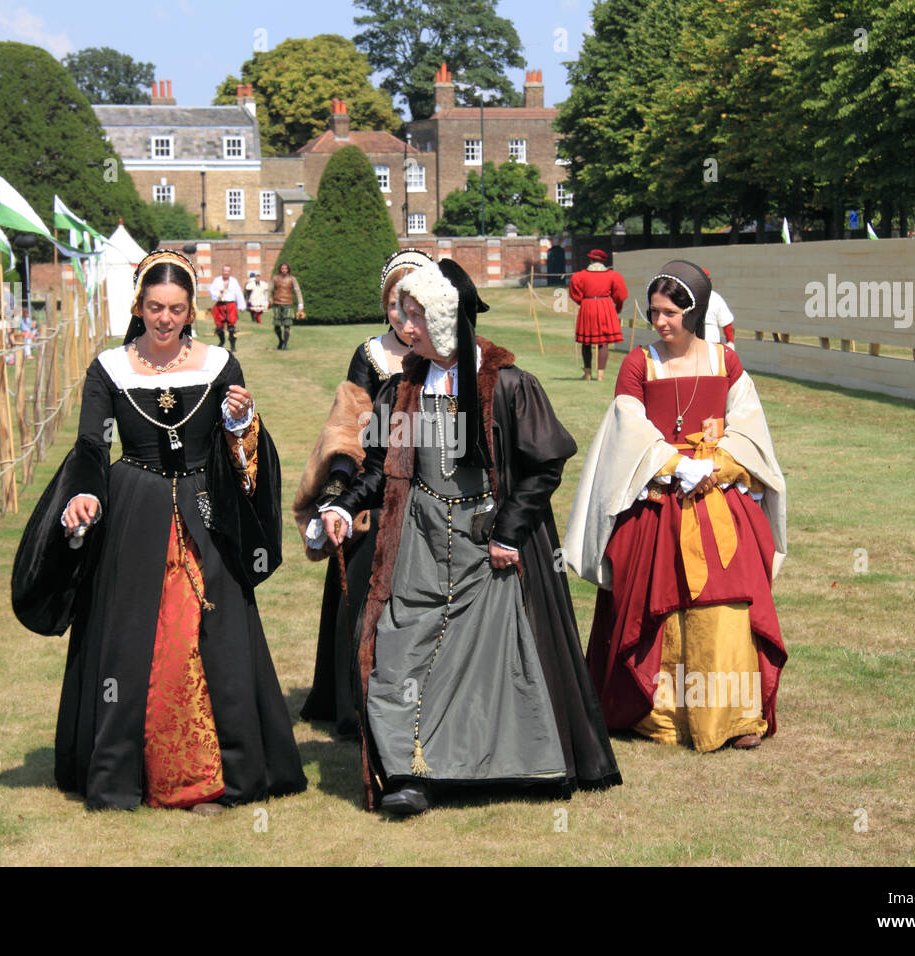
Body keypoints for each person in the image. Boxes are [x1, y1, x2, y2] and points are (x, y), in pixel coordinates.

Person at [321, 258, 621, 815]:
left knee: (490, 658)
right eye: (403, 315)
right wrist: (342, 505)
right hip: (418, 540)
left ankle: (494, 766)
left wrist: (510, 531)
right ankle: (408, 773)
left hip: (491, 546)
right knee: (399, 647)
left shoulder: (506, 385)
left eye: (415, 316)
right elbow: (379, 469)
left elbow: (543, 466)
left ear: (441, 318)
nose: (405, 326)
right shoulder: (402, 392)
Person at [12, 249, 306, 812]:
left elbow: (242, 455)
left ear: (191, 307)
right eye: (154, 307)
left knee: (210, 636)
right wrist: (83, 496)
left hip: (207, 512)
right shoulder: (109, 368)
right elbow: (93, 446)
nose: (165, 319)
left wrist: (242, 423)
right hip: (134, 510)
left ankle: (217, 774)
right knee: (138, 639)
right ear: (138, 306)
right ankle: (132, 770)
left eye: (175, 308)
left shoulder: (220, 365)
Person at [564, 260, 787, 753]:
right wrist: (671, 463)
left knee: (731, 599)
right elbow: (628, 424)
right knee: (654, 595)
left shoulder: (725, 361)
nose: (658, 322)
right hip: (659, 494)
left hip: (719, 496)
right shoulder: (639, 362)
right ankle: (658, 714)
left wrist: (721, 465)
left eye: (668, 312)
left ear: (694, 310)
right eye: (653, 312)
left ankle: (735, 716)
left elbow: (748, 423)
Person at [294, 249, 430, 737]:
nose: (403, 314)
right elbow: (348, 428)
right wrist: (337, 494)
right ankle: (357, 700)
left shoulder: (444, 352)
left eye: (412, 303)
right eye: (395, 303)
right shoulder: (371, 355)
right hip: (376, 490)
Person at [570, 248, 628, 382]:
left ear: (590, 259)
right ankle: (600, 375)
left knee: (586, 341)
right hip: (605, 306)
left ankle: (588, 374)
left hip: (588, 306)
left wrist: (585, 302)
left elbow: (575, 293)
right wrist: (617, 308)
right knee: (603, 342)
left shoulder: (580, 276)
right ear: (603, 261)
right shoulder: (613, 276)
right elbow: (620, 295)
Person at [207, 264, 245, 352]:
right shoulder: (217, 280)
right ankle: (222, 341)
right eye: (224, 271)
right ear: (222, 271)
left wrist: (241, 305)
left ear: (230, 272)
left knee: (231, 327)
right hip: (220, 305)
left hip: (231, 305)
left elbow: (238, 293)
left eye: (227, 271)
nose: (226, 273)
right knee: (219, 326)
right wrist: (217, 295)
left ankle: (233, 345)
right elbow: (211, 290)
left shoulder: (234, 281)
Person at [270, 261, 305, 351]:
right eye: (282, 268)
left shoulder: (292, 279)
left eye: (285, 268)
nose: (284, 270)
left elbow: (298, 292)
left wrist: (300, 304)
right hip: (277, 303)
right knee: (277, 325)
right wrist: (268, 301)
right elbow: (269, 290)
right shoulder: (275, 278)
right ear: (280, 269)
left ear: (288, 269)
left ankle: (285, 344)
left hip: (288, 303)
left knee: (287, 324)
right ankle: (280, 341)